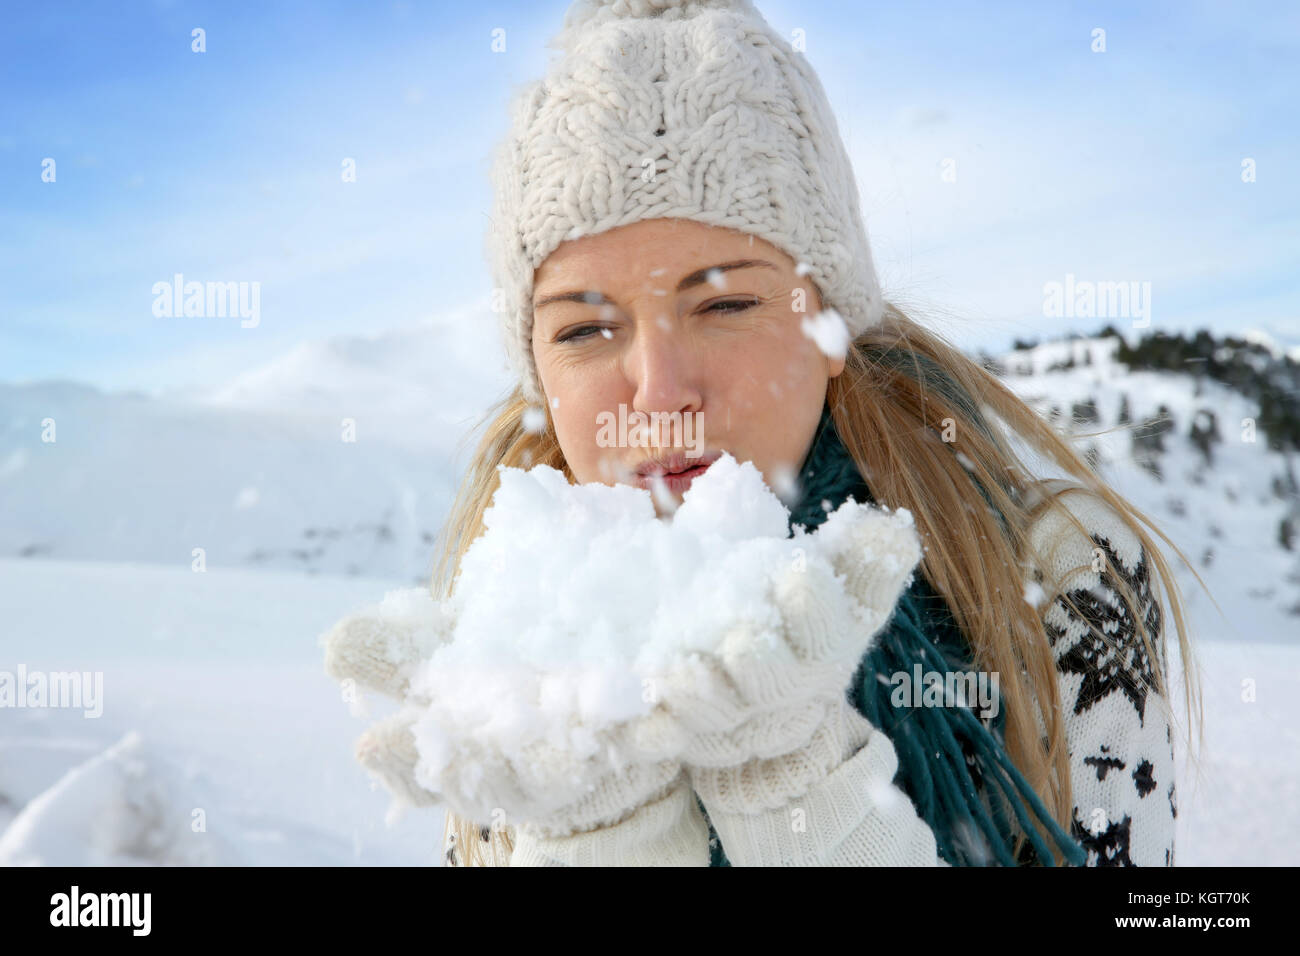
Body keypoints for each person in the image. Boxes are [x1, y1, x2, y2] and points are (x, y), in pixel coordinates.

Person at [325, 0, 1204, 866]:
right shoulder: (507, 644)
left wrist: (805, 805)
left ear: (827, 325)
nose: (660, 390)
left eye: (726, 304)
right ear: (539, 374)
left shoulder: (1052, 577)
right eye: (585, 330)